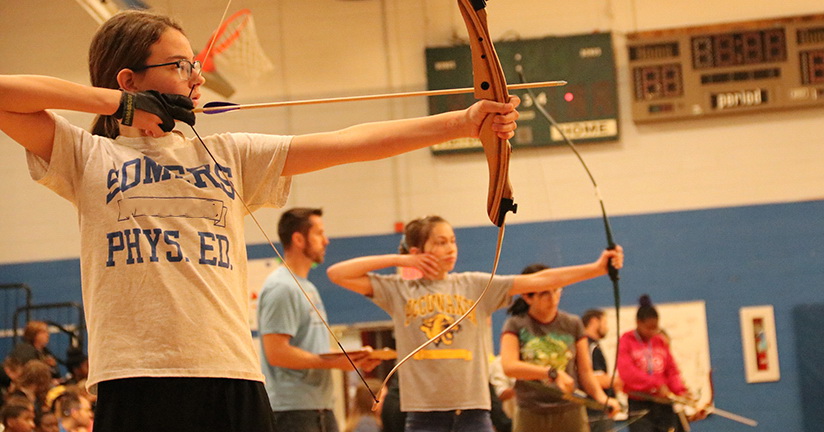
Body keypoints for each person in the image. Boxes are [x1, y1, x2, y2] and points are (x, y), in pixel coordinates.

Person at [0, 9, 518, 432]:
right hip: (135, 377)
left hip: (231, 375)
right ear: (130, 78)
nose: (197, 78)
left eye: (194, 65)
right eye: (180, 66)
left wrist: (464, 122)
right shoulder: (87, 156)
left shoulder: (229, 154)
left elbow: (349, 143)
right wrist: (117, 103)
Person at [327, 215, 623, 432]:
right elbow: (337, 273)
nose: (450, 248)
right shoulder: (398, 290)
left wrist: (596, 269)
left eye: (452, 241)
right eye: (440, 242)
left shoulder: (475, 285)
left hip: (473, 413)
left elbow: (539, 280)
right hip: (423, 414)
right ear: (417, 252)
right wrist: (400, 260)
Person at [258, 208, 381, 432]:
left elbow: (313, 351)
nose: (326, 240)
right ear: (298, 239)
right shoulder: (281, 287)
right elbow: (276, 352)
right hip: (293, 411)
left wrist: (352, 358)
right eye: (319, 233)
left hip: (319, 407)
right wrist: (333, 363)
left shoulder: (308, 287)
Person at [499, 264, 620, 432]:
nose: (553, 298)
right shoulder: (515, 324)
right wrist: (551, 373)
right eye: (544, 293)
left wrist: (602, 398)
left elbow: (585, 371)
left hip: (570, 410)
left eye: (556, 290)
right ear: (527, 297)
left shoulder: (573, 323)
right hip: (530, 412)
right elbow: (509, 366)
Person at [617, 295, 688, 432]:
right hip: (639, 403)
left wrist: (679, 390)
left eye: (655, 328)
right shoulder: (626, 341)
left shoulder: (659, 341)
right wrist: (656, 385)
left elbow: (671, 370)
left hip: (663, 404)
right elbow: (627, 373)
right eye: (649, 328)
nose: (652, 332)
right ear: (638, 323)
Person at [581, 309, 620, 432]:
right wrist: (618, 382)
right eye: (605, 323)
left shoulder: (590, 345)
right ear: (594, 321)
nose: (607, 328)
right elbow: (593, 377)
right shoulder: (589, 346)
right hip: (595, 410)